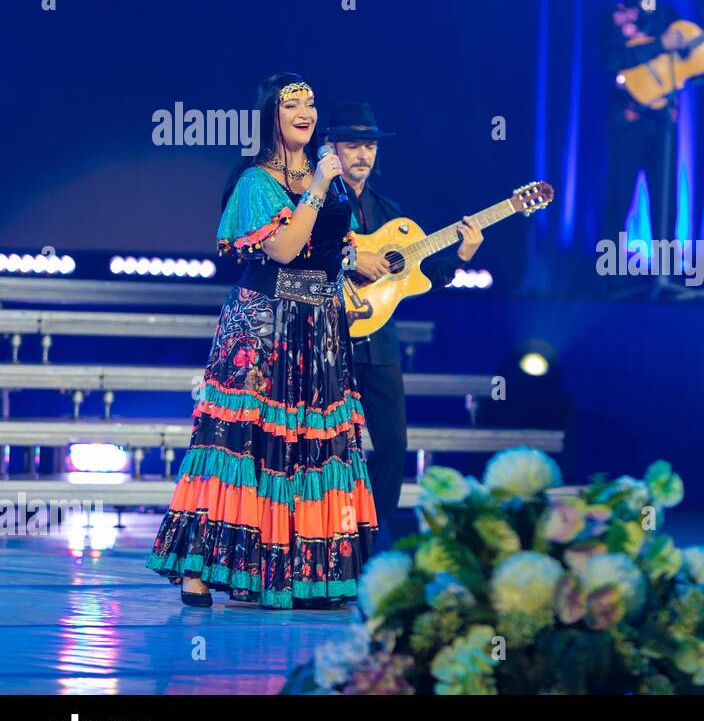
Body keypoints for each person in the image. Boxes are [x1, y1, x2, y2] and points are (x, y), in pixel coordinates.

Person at [146, 72, 377, 609]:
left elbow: (332, 245)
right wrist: (318, 187)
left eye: (312, 103)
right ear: (270, 114)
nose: (306, 111)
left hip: (318, 327)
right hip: (264, 325)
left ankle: (303, 573)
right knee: (241, 443)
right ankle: (202, 566)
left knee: (308, 447)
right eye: (292, 103)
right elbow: (283, 248)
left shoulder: (329, 176)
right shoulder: (255, 180)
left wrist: (350, 269)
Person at [324, 102, 483, 551]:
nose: (363, 154)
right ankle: (324, 545)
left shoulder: (390, 211)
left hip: (380, 343)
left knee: (393, 447)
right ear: (331, 148)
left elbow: (415, 278)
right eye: (353, 144)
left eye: (369, 145)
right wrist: (352, 259)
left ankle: (368, 543)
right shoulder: (314, 203)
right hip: (327, 338)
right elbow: (299, 257)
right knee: (329, 451)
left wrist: (461, 256)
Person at [598, 0, 704, 248]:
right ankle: (609, 283)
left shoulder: (670, 18)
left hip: (664, 120)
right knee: (618, 197)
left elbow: (700, 65)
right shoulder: (614, 17)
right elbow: (611, 59)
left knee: (666, 201)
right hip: (626, 118)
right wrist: (658, 46)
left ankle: (666, 280)